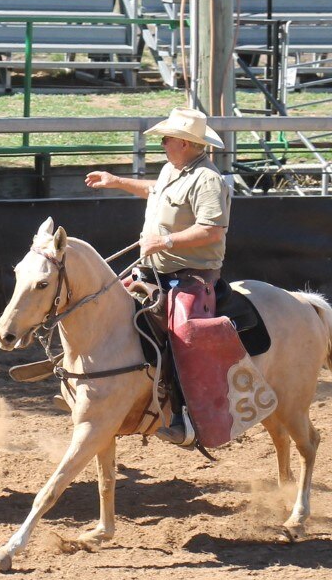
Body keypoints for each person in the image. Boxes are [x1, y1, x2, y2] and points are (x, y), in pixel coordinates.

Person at [85, 106, 230, 446]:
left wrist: (166, 241)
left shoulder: (208, 180)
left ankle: (186, 416)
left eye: (166, 138)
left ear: (184, 143)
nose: (162, 143)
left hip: (191, 275)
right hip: (154, 271)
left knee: (183, 336)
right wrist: (117, 181)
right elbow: (155, 190)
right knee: (104, 306)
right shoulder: (171, 170)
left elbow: (213, 230)